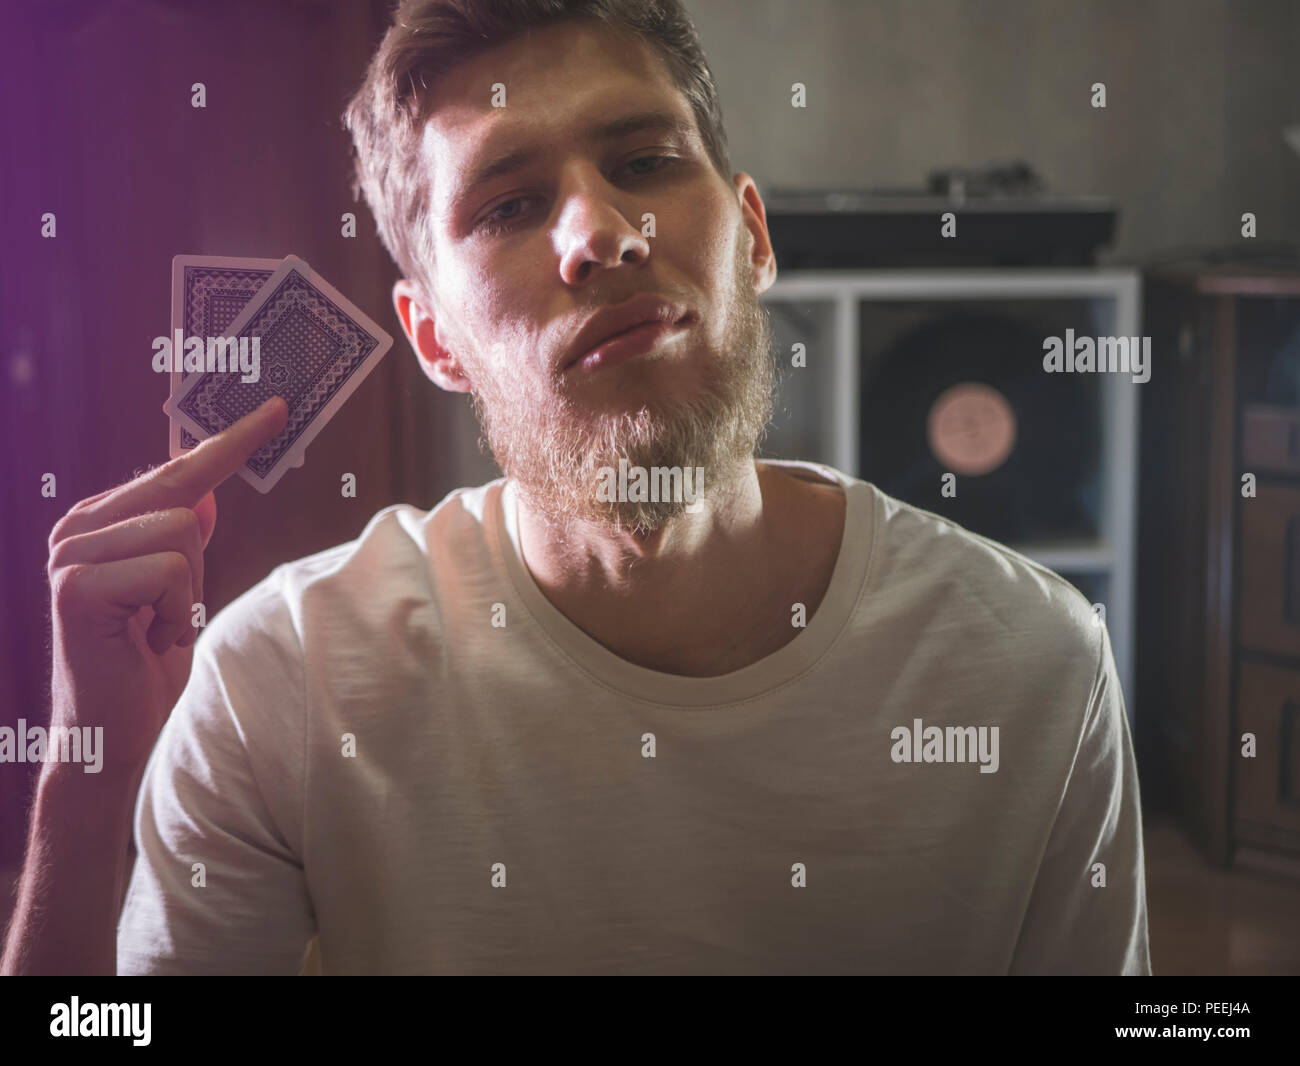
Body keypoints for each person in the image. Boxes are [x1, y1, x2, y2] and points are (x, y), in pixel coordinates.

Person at [3, 0, 1150, 975]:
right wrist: (85, 772)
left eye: (644, 162)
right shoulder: (279, 682)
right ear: (435, 338)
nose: (602, 229)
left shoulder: (1032, 663)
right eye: (506, 203)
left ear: (750, 236)